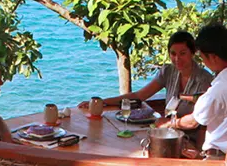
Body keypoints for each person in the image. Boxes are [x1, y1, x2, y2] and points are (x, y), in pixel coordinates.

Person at [157, 22, 227, 157]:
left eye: (202, 57)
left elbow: (193, 121)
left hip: (218, 156)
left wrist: (170, 123)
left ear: (213, 57)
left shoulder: (218, 89)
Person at [82, 30, 210, 114]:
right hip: (169, 131)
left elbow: (205, 118)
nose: (177, 59)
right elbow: (140, 95)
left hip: (192, 137)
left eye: (183, 53)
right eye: (173, 54)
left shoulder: (205, 80)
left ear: (193, 53)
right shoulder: (168, 71)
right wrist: (103, 101)